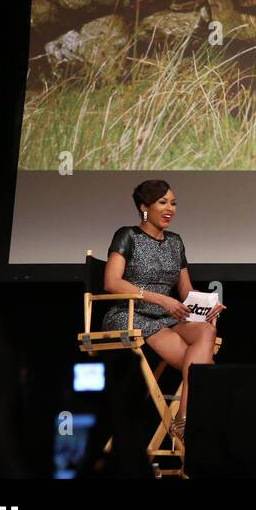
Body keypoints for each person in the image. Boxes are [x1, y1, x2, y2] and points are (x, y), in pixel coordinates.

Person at [101, 179, 224, 443]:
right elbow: (111, 282)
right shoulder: (127, 235)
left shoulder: (175, 242)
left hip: (167, 314)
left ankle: (183, 418)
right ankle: (190, 424)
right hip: (131, 313)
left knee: (205, 331)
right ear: (145, 208)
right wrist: (159, 299)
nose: (170, 208)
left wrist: (208, 305)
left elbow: (186, 291)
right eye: (162, 202)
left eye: (173, 202)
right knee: (203, 369)